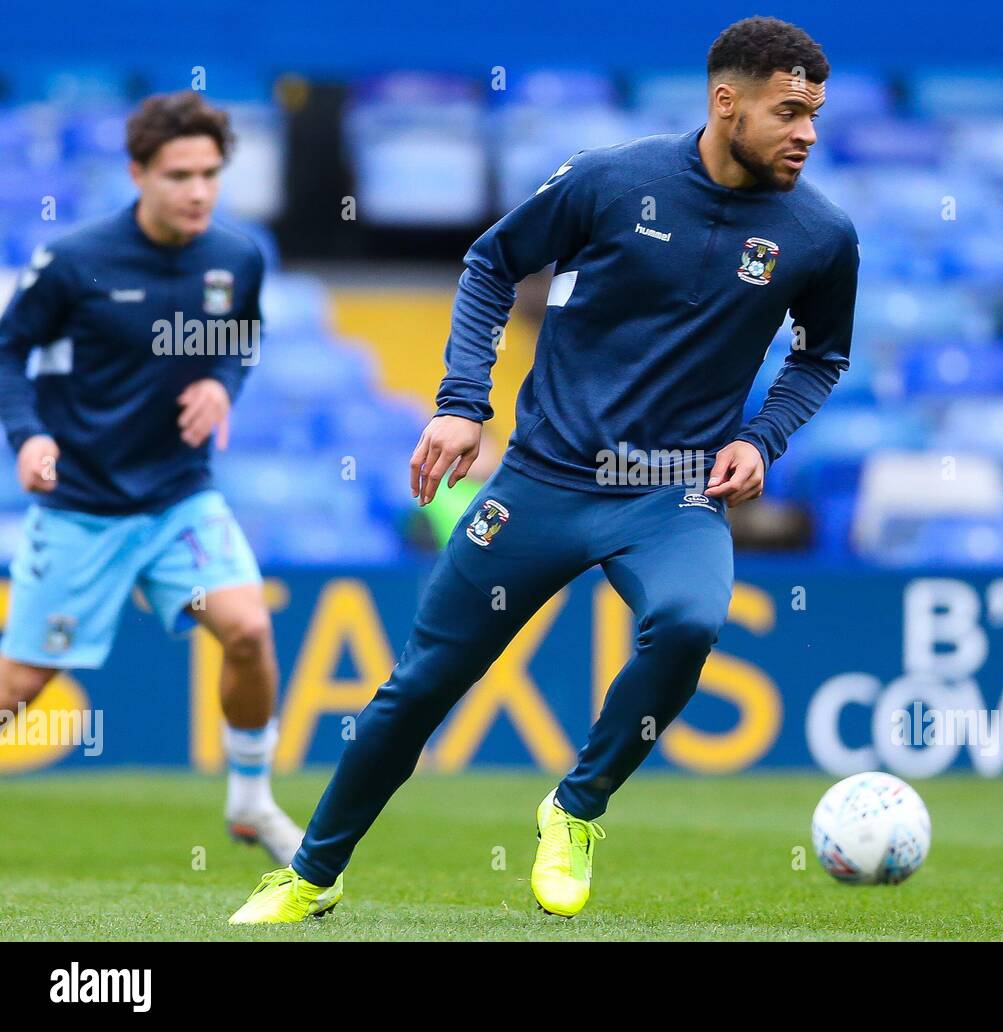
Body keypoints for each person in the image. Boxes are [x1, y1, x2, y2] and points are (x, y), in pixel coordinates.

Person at [230, 15, 858, 923]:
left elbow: (820, 357)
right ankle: (310, 874)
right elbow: (491, 261)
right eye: (789, 111)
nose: (807, 132)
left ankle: (576, 808)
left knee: (686, 622)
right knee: (419, 688)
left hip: (672, 496)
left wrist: (761, 439)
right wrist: (458, 403)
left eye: (817, 114)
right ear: (727, 102)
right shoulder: (613, 180)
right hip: (543, 483)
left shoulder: (819, 233)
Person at [0, 91, 303, 866]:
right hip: (82, 508)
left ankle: (250, 799)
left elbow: (241, 338)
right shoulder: (75, 262)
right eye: (179, 175)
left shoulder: (235, 256)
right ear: (138, 173)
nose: (198, 190)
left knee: (248, 628)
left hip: (179, 498)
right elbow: (8, 352)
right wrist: (29, 438)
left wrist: (220, 386)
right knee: (18, 689)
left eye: (209, 173)